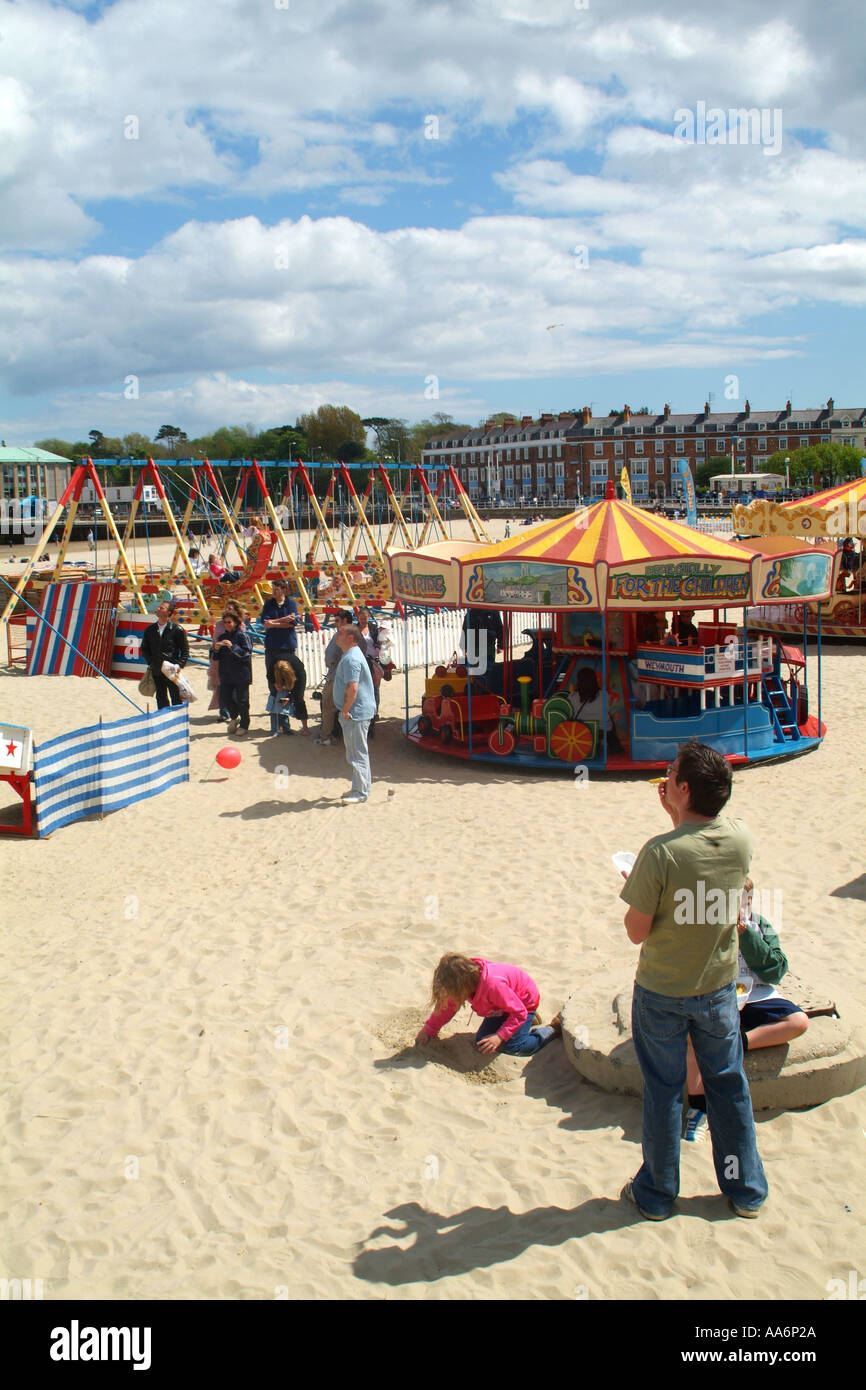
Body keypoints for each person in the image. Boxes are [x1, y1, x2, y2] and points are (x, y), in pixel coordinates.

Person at [619, 739, 768, 1220]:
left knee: (664, 1091)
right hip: (718, 988)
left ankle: (658, 1194)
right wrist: (678, 815)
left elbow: (635, 932)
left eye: (672, 773)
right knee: (728, 1085)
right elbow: (702, 850)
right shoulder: (741, 837)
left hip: (663, 990)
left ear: (680, 788)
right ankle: (745, 1190)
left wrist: (671, 826)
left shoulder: (660, 853)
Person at [683, 876, 810, 1141]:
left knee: (798, 1022)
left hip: (757, 995)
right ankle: (698, 1108)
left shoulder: (760, 925)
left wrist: (748, 936)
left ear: (748, 902)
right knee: (692, 1037)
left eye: (741, 903)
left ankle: (740, 1044)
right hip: (721, 996)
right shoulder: (707, 926)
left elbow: (776, 969)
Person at [414, 953, 561, 1056]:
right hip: (500, 1007)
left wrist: (499, 1036)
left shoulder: (493, 986)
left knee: (514, 1047)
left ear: (463, 986)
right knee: (482, 1042)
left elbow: (519, 1012)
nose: (452, 997)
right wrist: (429, 1029)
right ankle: (526, 1023)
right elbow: (447, 1007)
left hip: (524, 1003)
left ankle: (550, 1030)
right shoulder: (467, 983)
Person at [333, 623, 377, 803]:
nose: (337, 634)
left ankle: (360, 792)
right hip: (356, 710)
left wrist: (345, 709)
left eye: (341, 632)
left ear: (350, 638)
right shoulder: (352, 654)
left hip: (355, 712)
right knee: (355, 752)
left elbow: (352, 688)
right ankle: (358, 788)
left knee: (357, 753)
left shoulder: (351, 658)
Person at [261, 577, 309, 732]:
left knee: (288, 683)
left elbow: (292, 623)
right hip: (272, 648)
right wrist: (282, 622)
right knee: (274, 685)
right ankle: (277, 723)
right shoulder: (269, 604)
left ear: (283, 590)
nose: (274, 592)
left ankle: (286, 722)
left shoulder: (291, 604)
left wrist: (274, 624)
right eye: (273, 589)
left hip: (287, 647)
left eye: (277, 589)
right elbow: (266, 623)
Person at [140, 598, 190, 710]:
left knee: (175, 696)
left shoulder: (177, 629)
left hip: (172, 670)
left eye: (161, 607)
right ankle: (164, 720)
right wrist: (151, 662)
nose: (157, 609)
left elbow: (185, 651)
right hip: (157, 669)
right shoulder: (150, 630)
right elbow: (144, 648)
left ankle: (176, 719)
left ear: (168, 612)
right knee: (161, 696)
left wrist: (179, 665)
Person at [210, 609, 253, 736]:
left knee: (242, 700)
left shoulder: (243, 636)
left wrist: (232, 647)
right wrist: (216, 649)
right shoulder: (222, 637)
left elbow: (246, 655)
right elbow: (215, 657)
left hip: (241, 674)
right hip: (226, 674)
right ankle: (234, 717)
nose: (227, 625)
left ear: (236, 622)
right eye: (225, 623)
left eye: (229, 622)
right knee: (225, 698)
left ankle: (245, 724)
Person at [315, 609, 353, 745]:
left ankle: (326, 736)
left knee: (328, 707)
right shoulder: (356, 635)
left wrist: (331, 664)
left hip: (336, 675)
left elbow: (330, 656)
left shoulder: (340, 635)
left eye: (337, 620)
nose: (335, 623)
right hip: (351, 677)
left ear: (344, 621)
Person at [208, 599, 245, 720]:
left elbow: (242, 643)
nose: (227, 610)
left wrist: (230, 645)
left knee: (233, 687)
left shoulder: (240, 625)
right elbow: (215, 639)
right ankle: (223, 713)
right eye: (226, 608)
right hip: (219, 656)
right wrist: (218, 646)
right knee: (220, 685)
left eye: (230, 609)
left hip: (234, 657)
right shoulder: (219, 623)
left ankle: (234, 712)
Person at [356, 606, 382, 733]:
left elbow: (379, 642)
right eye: (361, 619)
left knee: (375, 687)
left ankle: (375, 711)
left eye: (365, 619)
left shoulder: (373, 628)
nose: (363, 621)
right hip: (359, 660)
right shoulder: (354, 630)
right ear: (358, 618)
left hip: (372, 660)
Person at [461, 607, 502, 679]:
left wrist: (500, 644)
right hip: (475, 645)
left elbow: (499, 627)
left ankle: (484, 684)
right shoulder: (471, 613)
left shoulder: (493, 612)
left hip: (487, 644)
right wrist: (464, 646)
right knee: (475, 669)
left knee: (487, 668)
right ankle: (478, 684)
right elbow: (465, 629)